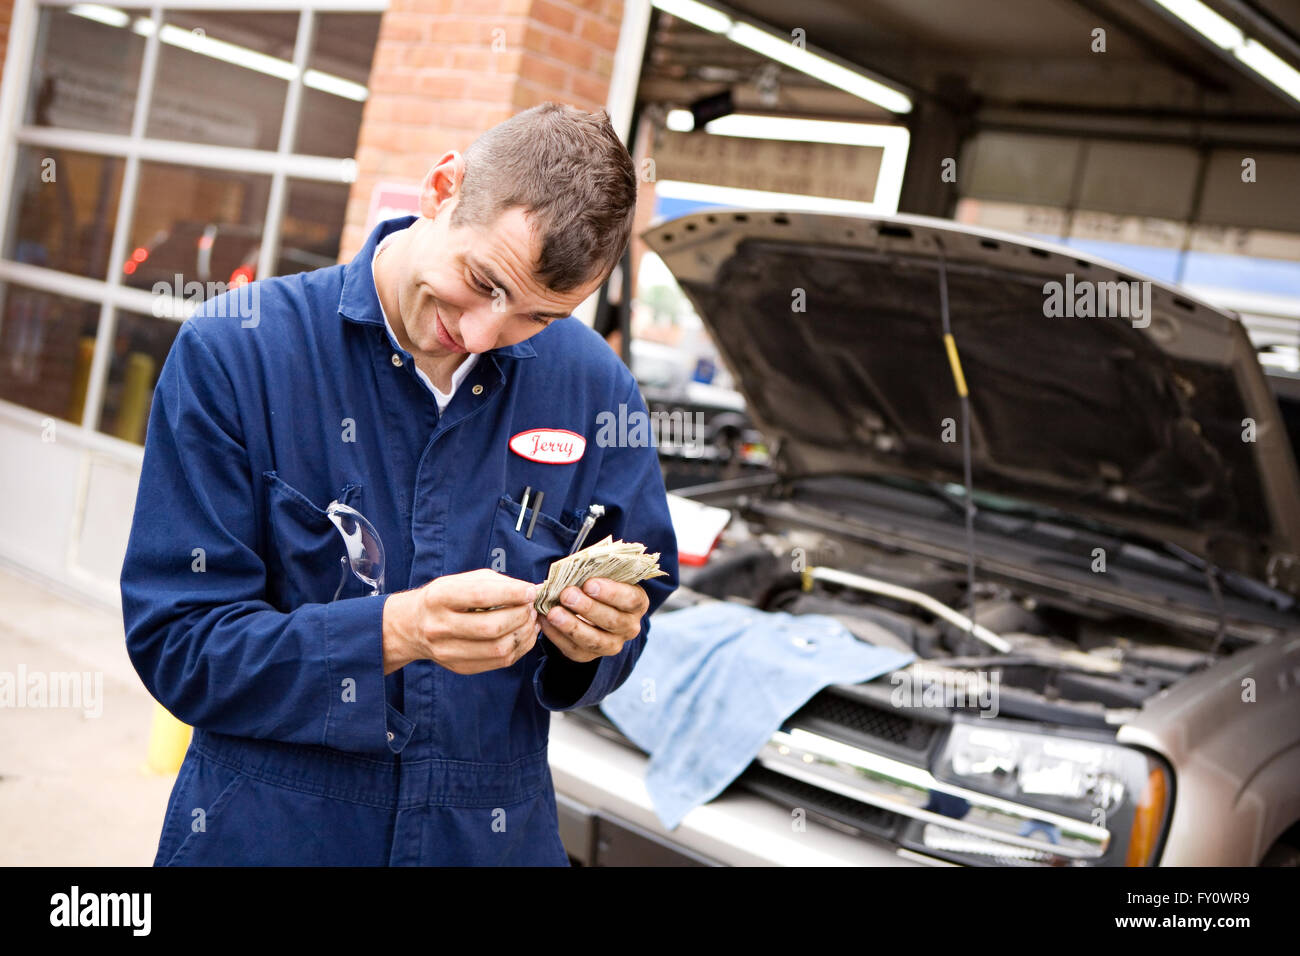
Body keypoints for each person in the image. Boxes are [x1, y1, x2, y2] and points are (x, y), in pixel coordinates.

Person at [120, 103, 680, 866]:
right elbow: (180, 646)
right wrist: (394, 632)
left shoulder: (595, 390)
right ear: (443, 187)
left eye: (537, 319)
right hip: (273, 829)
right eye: (482, 282)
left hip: (493, 835)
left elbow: (635, 618)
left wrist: (595, 644)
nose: (484, 334)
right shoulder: (237, 354)